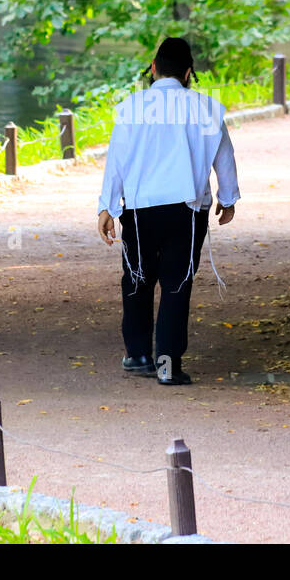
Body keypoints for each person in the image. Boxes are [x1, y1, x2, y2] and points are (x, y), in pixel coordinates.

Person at [97, 37, 239, 385]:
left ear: (154, 67)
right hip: (187, 211)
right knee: (177, 284)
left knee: (136, 280)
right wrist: (228, 197)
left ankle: (138, 355)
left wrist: (107, 207)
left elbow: (116, 159)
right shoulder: (207, 108)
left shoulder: (131, 107)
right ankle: (167, 365)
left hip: (140, 210)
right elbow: (225, 156)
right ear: (189, 72)